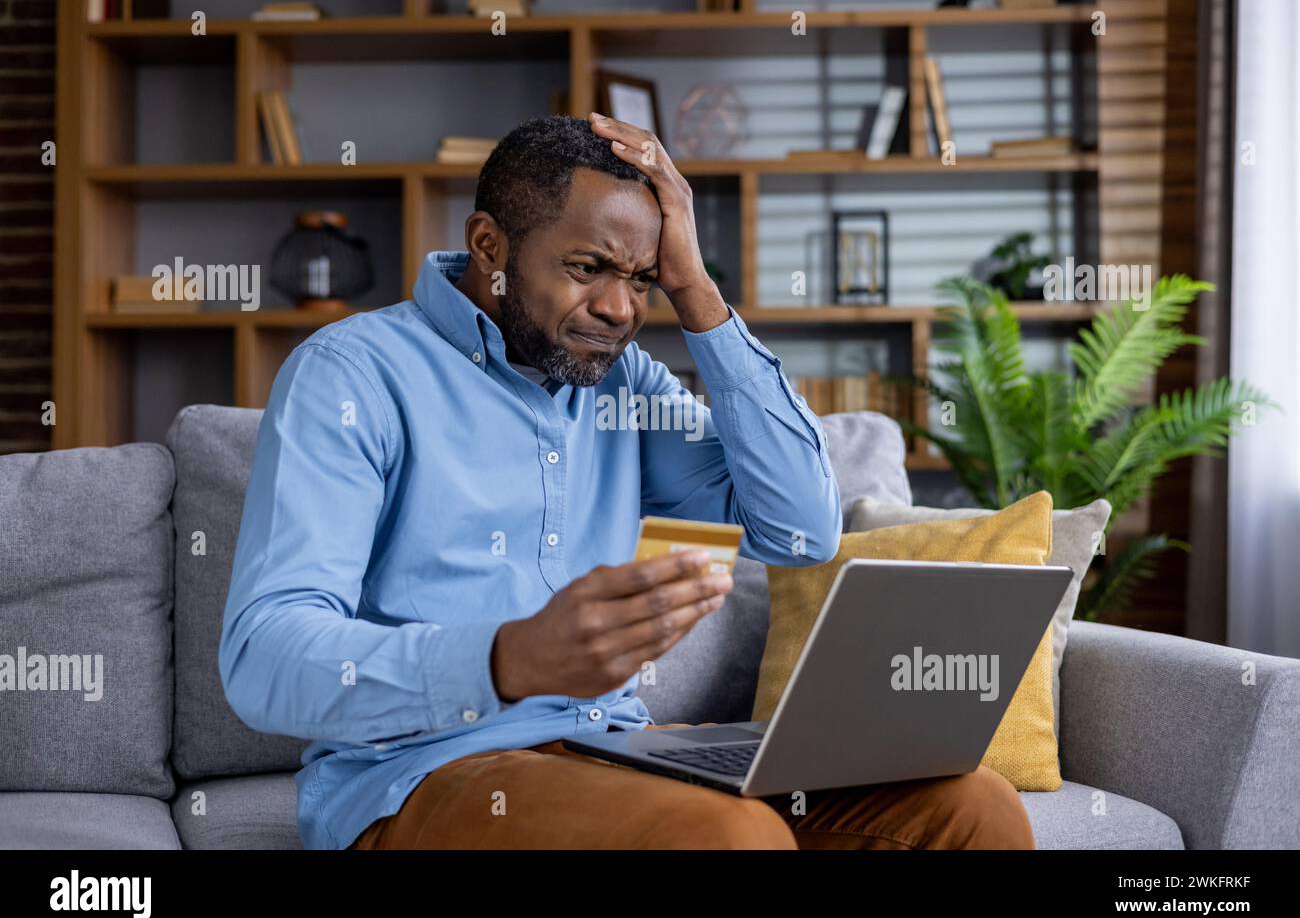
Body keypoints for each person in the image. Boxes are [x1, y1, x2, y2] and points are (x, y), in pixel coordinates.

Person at [220, 113, 1034, 851]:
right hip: (419, 776)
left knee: (973, 807)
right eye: (587, 267)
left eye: (640, 278)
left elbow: (800, 531)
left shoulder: (621, 385)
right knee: (732, 836)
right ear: (490, 245)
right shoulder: (352, 373)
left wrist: (696, 291)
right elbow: (264, 656)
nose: (618, 307)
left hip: (611, 748)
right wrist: (508, 658)